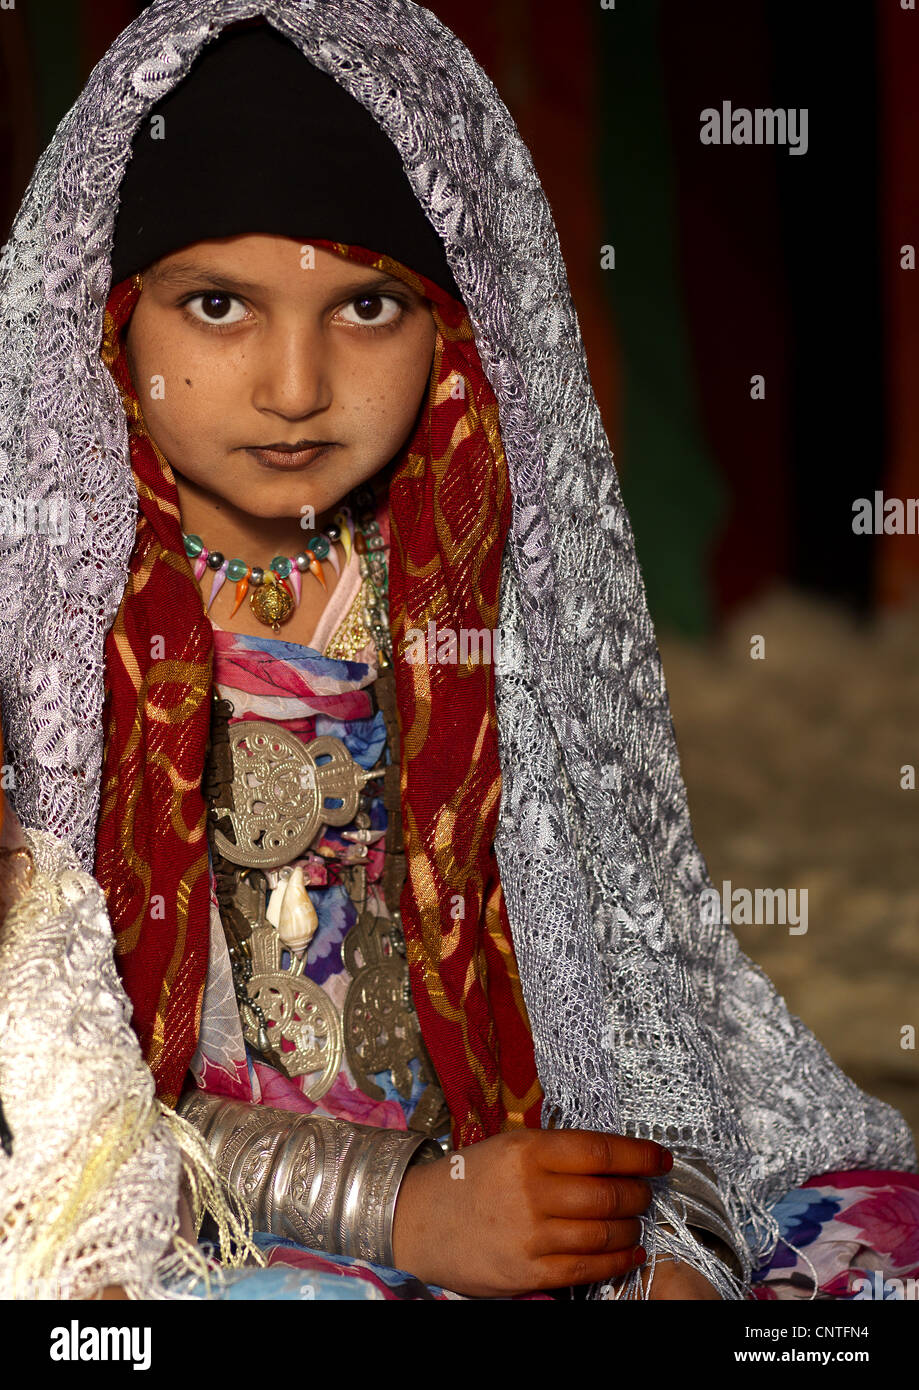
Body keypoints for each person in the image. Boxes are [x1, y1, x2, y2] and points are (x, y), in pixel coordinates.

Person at [0, 4, 915, 1302]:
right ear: (106, 319)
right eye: (218, 304)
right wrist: (401, 1207)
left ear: (461, 327)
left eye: (368, 305)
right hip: (203, 1202)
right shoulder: (54, 630)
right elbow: (55, 1105)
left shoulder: (476, 585)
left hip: (501, 1170)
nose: (297, 384)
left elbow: (640, 1014)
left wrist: (657, 1236)